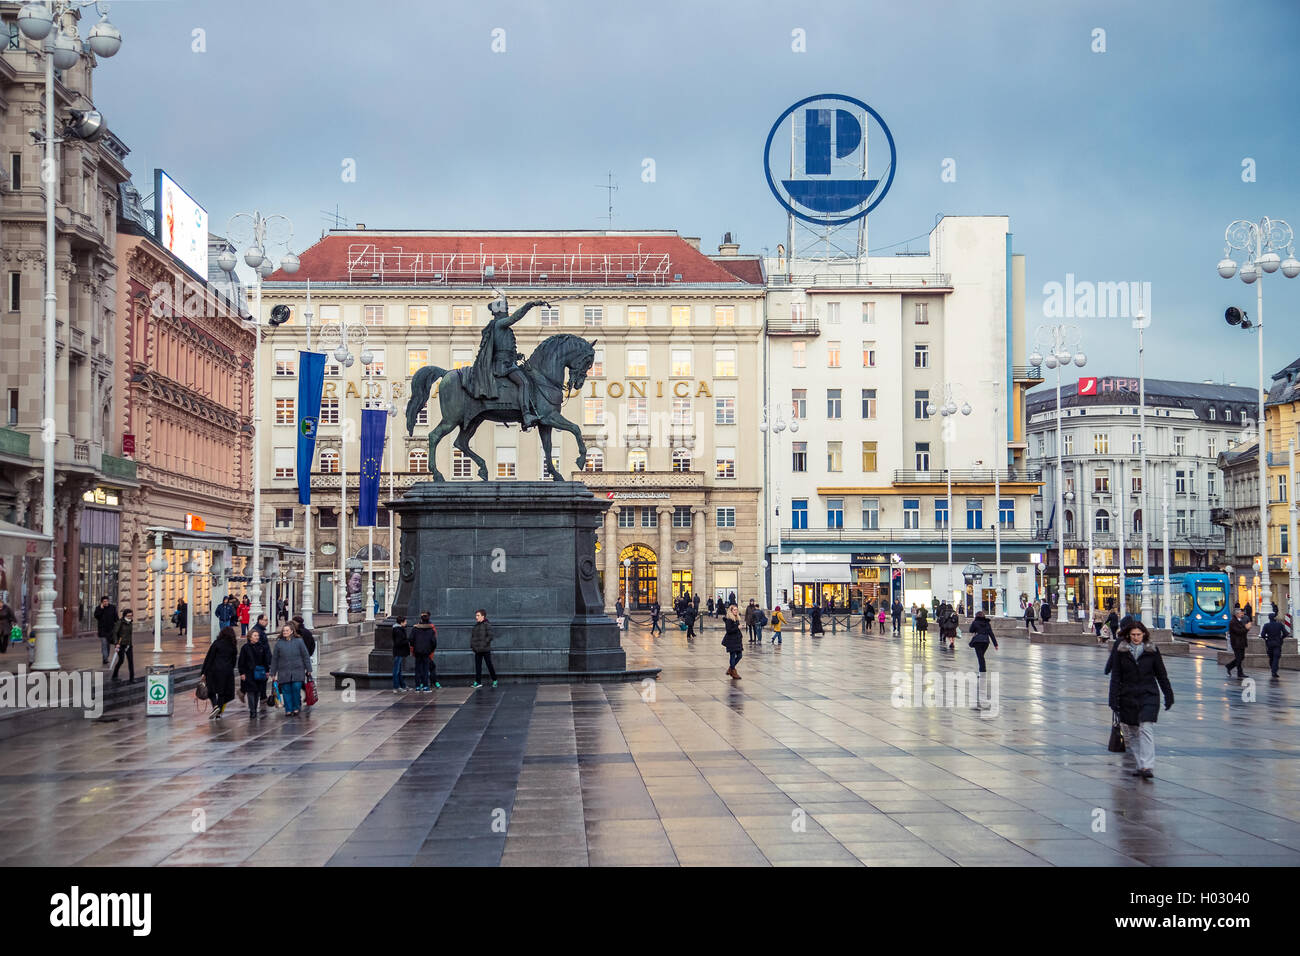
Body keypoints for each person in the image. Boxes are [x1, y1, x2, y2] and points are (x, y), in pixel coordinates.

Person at [1105, 621, 1174, 779]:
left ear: (1144, 635)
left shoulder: (1152, 650)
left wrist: (1168, 694)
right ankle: (1141, 764)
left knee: (1146, 727)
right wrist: (1113, 699)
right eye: (1133, 635)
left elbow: (1161, 674)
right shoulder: (1121, 651)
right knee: (1133, 731)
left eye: (1139, 634)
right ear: (1128, 635)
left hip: (1148, 694)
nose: (1136, 638)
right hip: (1127, 696)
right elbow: (1116, 677)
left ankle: (1148, 765)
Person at [271, 622, 312, 716]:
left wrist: (308, 669)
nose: (285, 632)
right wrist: (272, 673)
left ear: (291, 632)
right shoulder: (279, 643)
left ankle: (296, 707)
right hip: (284, 671)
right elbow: (275, 659)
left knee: (296, 689)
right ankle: (288, 710)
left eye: (287, 630)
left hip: (297, 670)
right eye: (284, 630)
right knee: (286, 691)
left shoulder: (299, 641)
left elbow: (305, 656)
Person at [201, 627, 239, 720]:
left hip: (214, 670)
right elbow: (234, 660)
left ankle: (215, 706)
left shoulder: (216, 643)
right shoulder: (233, 646)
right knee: (222, 692)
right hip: (227, 672)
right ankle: (218, 711)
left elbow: (209, 658)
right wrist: (230, 668)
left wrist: (204, 672)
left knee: (211, 691)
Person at [238, 625, 272, 718]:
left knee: (257, 691)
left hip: (260, 672)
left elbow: (265, 660)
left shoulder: (261, 647)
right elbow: (241, 661)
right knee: (251, 692)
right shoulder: (245, 648)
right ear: (250, 637)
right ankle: (252, 710)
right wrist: (242, 673)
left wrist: (267, 670)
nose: (257, 637)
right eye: (255, 636)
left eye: (257, 636)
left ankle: (255, 709)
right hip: (249, 672)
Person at [968, 610, 998, 708]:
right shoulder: (987, 623)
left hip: (978, 641)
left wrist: (973, 622)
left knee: (980, 657)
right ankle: (982, 672)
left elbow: (971, 630)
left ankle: (982, 673)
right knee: (982, 657)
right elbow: (991, 633)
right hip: (986, 641)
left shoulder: (975, 622)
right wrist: (995, 644)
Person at [470, 608, 497, 688]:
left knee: (489, 665)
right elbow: (473, 637)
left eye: (478, 615)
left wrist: (483, 644)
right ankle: (478, 682)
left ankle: (494, 680)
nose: (476, 617)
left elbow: (490, 636)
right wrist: (473, 646)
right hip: (477, 650)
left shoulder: (487, 624)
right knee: (478, 666)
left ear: (483, 616)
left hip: (485, 649)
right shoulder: (475, 626)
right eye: (476, 615)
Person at [412, 611, 439, 690]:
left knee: (418, 669)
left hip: (418, 652)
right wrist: (430, 650)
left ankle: (417, 686)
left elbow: (411, 639)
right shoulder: (431, 630)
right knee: (426, 669)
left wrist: (415, 648)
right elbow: (434, 642)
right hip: (427, 652)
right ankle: (425, 686)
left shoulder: (415, 628)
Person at [110, 609, 135, 681]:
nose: (130, 617)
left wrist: (130, 643)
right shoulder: (120, 622)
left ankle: (132, 678)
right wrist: (116, 643)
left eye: (131, 615)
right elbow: (115, 633)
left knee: (131, 661)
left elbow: (129, 634)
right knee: (121, 660)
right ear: (124, 615)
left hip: (128, 644)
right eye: (128, 616)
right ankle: (114, 675)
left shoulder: (130, 623)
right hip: (120, 644)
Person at [1226, 606, 1249, 679]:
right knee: (1239, 658)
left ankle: (1229, 666)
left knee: (1241, 657)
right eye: (1240, 613)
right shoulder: (1233, 622)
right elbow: (1238, 632)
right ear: (1237, 614)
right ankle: (1240, 672)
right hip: (1236, 643)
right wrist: (1246, 628)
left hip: (1241, 642)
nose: (1242, 614)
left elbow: (1242, 631)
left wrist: (1245, 628)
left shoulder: (1240, 620)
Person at [723, 603, 743, 680]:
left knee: (739, 655)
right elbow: (729, 630)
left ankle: (730, 668)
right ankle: (733, 672)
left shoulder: (736, 618)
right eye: (734, 610)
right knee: (732, 655)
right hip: (731, 640)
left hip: (737, 640)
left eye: (736, 610)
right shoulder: (729, 620)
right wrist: (737, 628)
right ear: (731, 611)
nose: (736, 611)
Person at [1262, 612, 1286, 678]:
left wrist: (1266, 639)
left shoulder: (1266, 625)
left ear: (1269, 618)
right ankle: (1274, 671)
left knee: (1271, 657)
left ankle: (1273, 669)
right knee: (1276, 657)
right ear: (1274, 618)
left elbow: (1262, 635)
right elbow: (1285, 633)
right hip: (1277, 643)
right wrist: (1281, 638)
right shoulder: (1279, 624)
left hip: (1269, 643)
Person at [391, 615, 410, 691]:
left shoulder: (399, 629)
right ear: (401, 622)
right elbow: (399, 642)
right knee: (396, 670)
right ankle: (396, 686)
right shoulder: (398, 630)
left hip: (399, 652)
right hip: (399, 652)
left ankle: (402, 685)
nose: (406, 623)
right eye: (405, 621)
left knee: (399, 670)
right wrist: (408, 641)